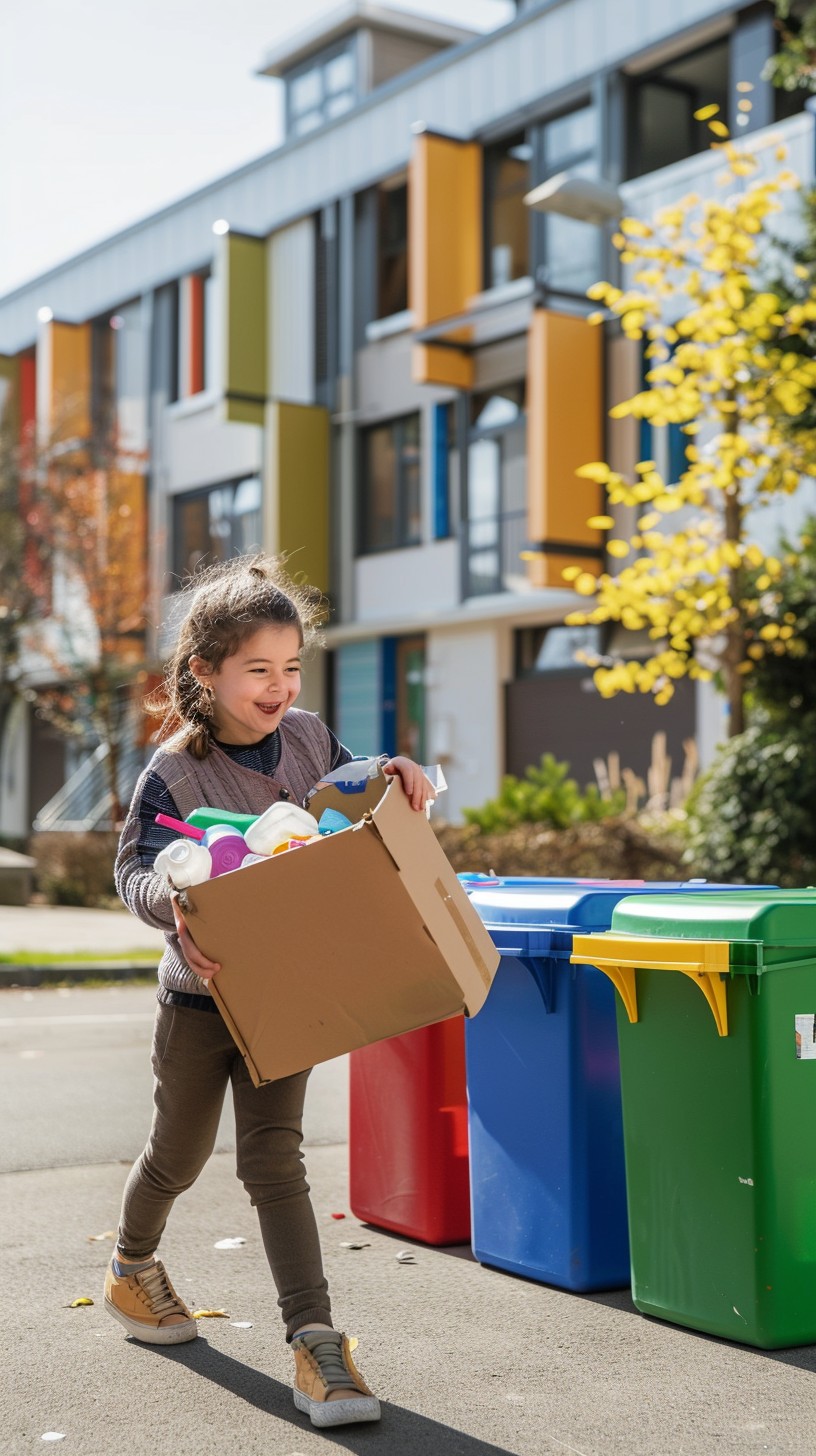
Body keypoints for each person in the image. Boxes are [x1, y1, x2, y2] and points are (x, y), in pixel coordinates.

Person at [107, 554, 435, 1430]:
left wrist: (395, 771)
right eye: (259, 670)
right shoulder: (172, 772)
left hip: (284, 992)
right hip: (198, 1001)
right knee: (176, 1155)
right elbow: (132, 869)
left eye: (292, 668)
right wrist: (169, 904)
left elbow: (350, 786)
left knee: (273, 1159)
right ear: (204, 672)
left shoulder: (308, 737)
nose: (280, 687)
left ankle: (316, 1339)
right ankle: (131, 1267)